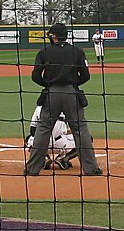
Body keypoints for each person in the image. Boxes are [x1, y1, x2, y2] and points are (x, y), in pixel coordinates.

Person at [24, 22, 103, 176]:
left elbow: (35, 76)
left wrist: (49, 84)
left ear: (54, 36)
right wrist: (73, 84)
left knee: (43, 130)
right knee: (80, 130)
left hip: (51, 94)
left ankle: (32, 169)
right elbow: (85, 76)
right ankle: (92, 169)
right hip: (71, 93)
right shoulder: (77, 51)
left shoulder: (44, 52)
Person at [25, 105, 77, 169]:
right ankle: (63, 158)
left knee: (28, 139)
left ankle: (44, 158)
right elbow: (75, 129)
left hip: (42, 145)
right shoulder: (65, 107)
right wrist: (65, 131)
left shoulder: (39, 108)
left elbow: (33, 131)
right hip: (61, 145)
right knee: (83, 140)